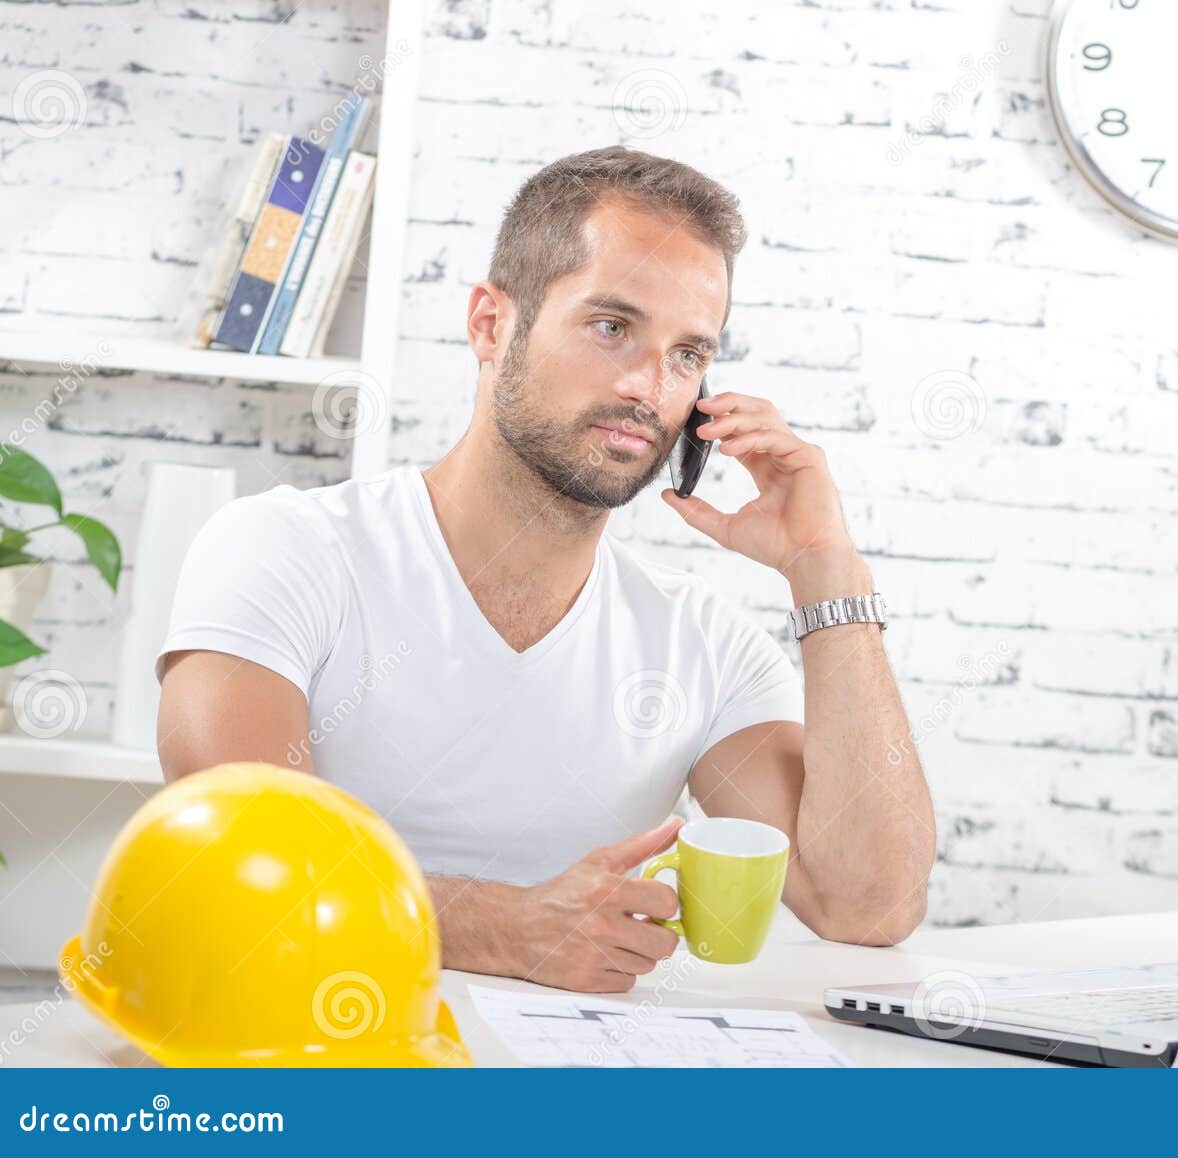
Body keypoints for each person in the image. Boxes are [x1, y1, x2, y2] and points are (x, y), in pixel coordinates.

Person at [156, 146, 935, 993]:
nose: (650, 387)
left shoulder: (701, 644)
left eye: (687, 355)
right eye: (613, 327)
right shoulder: (286, 550)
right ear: (492, 324)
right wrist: (505, 926)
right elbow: (239, 850)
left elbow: (868, 906)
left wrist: (827, 571)